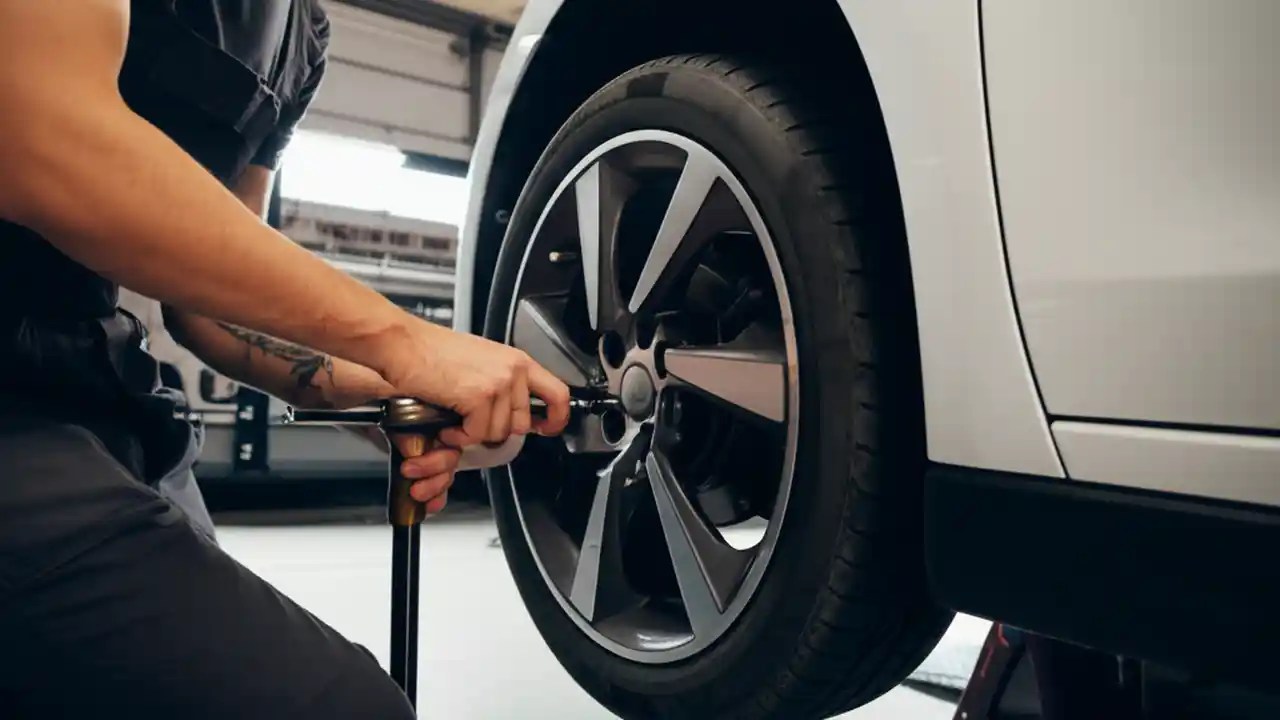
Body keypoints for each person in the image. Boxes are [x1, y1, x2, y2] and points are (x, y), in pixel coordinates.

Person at [0, 1, 571, 718]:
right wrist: (406, 340)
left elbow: (209, 307)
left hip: (102, 385)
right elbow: (42, 143)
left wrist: (382, 395)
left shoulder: (300, 37)